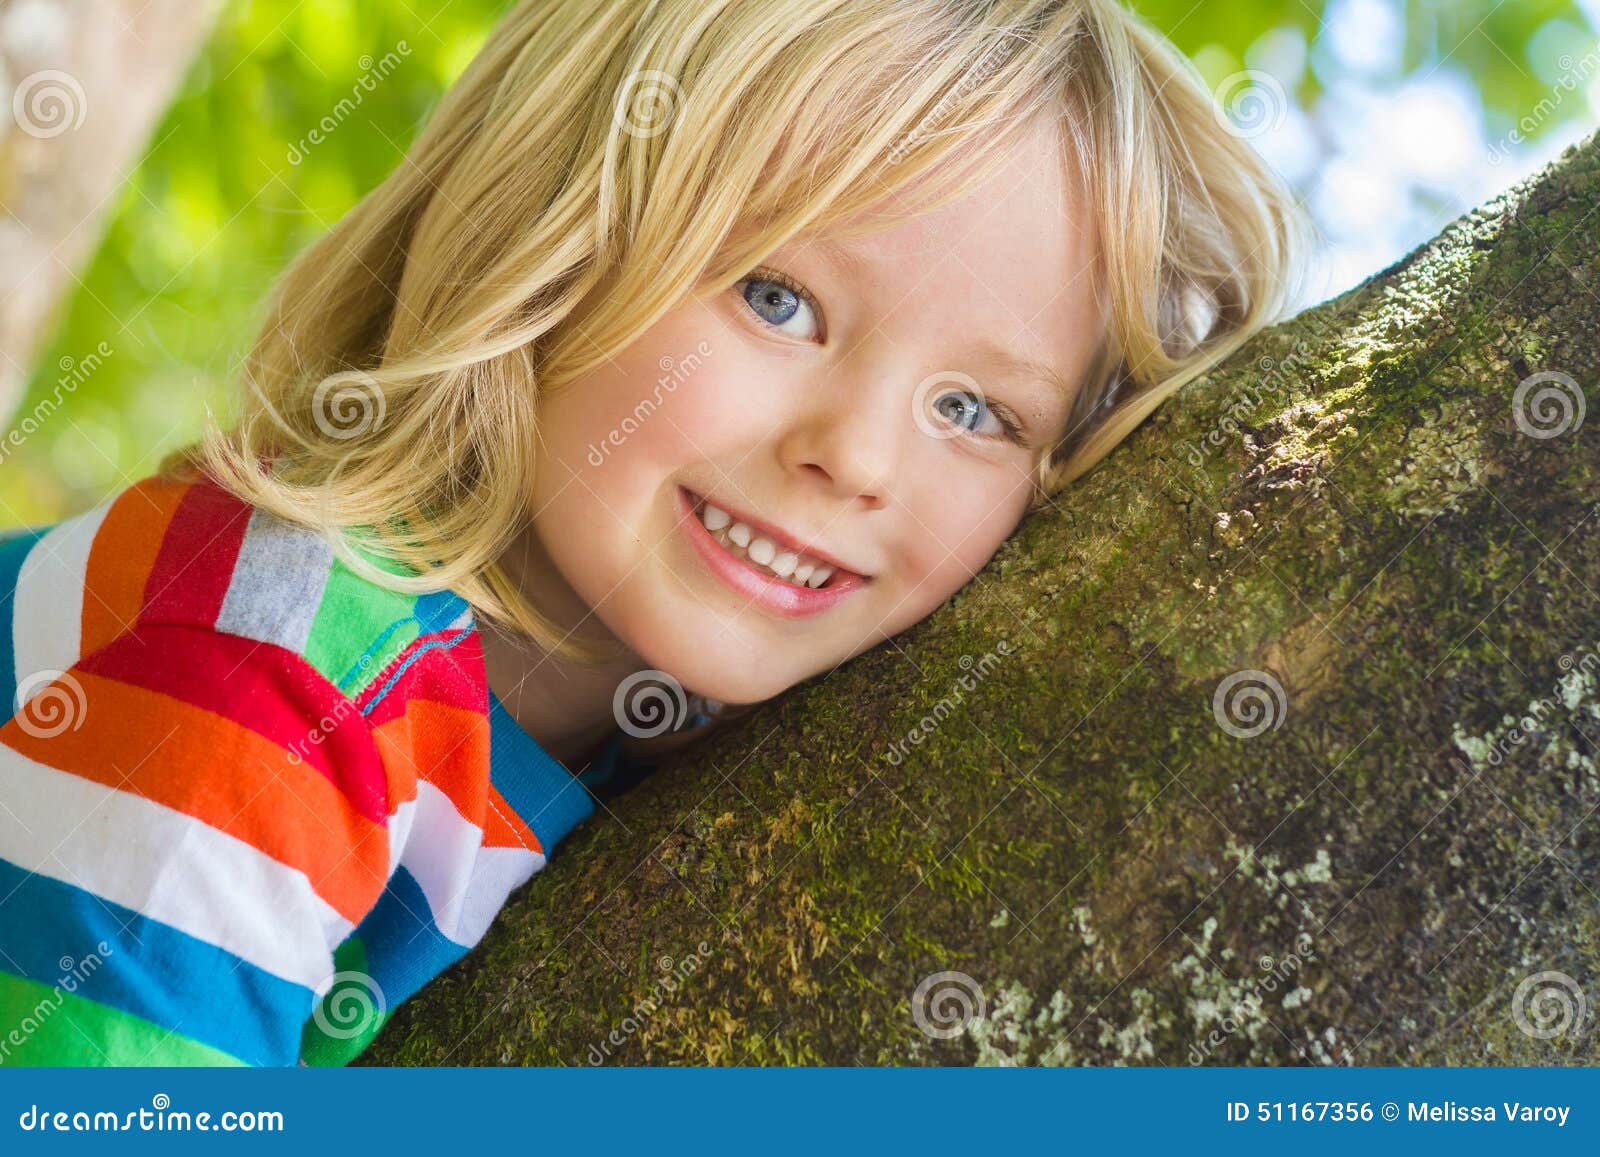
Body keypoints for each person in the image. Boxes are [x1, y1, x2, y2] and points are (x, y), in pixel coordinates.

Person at [0, 0, 1303, 1066]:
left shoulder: (680, 737)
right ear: (549, 231)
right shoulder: (276, 672)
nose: (851, 455)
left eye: (972, 409)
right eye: (779, 298)